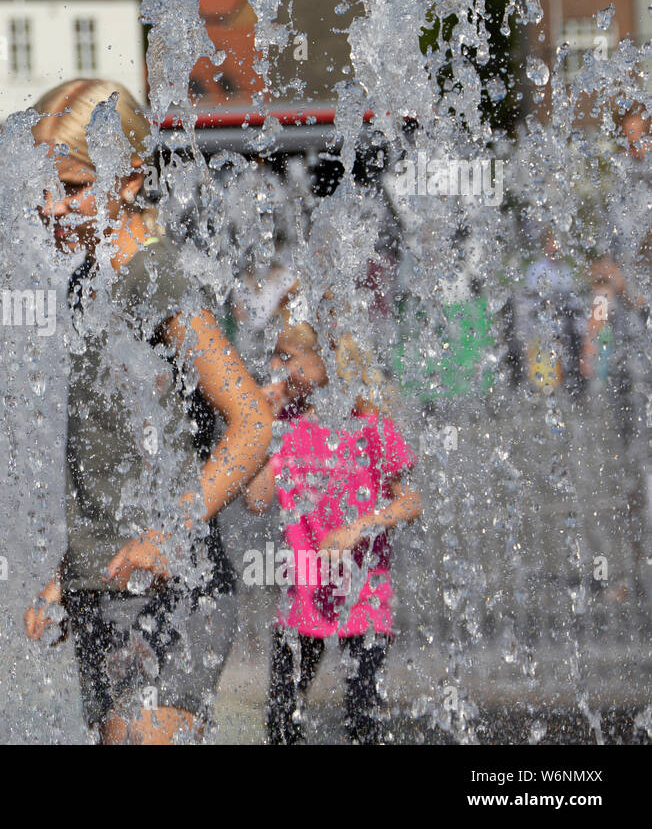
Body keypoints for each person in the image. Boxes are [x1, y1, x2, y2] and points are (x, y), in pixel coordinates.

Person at [22, 79, 273, 744]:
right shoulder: (88, 281)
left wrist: (165, 536)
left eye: (72, 189)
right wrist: (70, 572)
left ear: (130, 182)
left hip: (173, 590)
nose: (49, 207)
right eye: (42, 188)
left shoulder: (151, 278)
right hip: (108, 581)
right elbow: (120, 452)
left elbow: (253, 422)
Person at [245, 304, 422, 744]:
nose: (274, 366)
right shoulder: (287, 425)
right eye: (274, 355)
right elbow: (255, 500)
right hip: (303, 594)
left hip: (363, 596)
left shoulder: (369, 426)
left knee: (363, 721)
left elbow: (411, 502)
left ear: (322, 361)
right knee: (281, 721)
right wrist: (262, 425)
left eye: (286, 357)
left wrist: (355, 529)